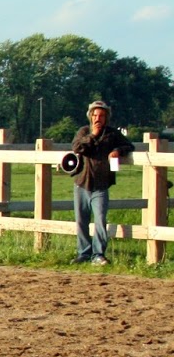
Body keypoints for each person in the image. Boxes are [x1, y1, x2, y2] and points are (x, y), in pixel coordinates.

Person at [69, 100, 134, 266]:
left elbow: (129, 145)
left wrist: (117, 151)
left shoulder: (112, 134)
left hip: (101, 185)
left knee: (100, 219)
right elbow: (77, 147)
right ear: (91, 116)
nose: (98, 118)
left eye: (102, 116)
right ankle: (83, 253)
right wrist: (93, 135)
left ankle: (98, 254)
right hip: (82, 183)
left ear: (106, 118)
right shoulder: (84, 131)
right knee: (81, 220)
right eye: (95, 115)